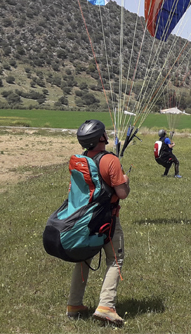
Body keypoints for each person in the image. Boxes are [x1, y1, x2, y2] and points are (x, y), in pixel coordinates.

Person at [67, 119, 130, 327]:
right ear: (101, 138)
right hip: (107, 220)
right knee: (115, 260)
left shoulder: (80, 160)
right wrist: (126, 182)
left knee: (84, 259)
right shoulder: (110, 160)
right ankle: (106, 307)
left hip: (84, 220)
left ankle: (74, 304)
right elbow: (122, 193)